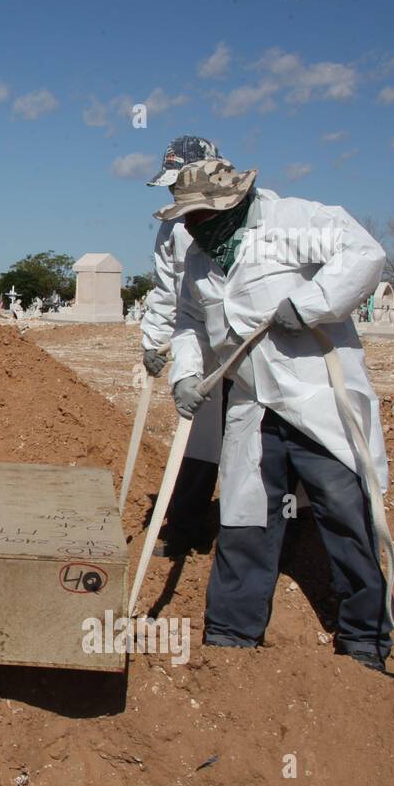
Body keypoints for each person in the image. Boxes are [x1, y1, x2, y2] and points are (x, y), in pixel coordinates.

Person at [162, 158, 392, 671]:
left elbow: (365, 254)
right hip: (251, 405)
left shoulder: (292, 220)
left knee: (344, 515)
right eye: (186, 217)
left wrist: (312, 303)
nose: (189, 226)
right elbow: (188, 320)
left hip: (316, 404)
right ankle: (231, 637)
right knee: (244, 520)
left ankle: (364, 641)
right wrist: (184, 374)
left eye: (197, 215)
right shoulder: (199, 260)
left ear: (230, 205)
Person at [139, 136, 282, 555]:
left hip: (259, 348)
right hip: (204, 344)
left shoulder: (260, 211)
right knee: (200, 438)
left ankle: (269, 534)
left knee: (261, 443)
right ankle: (185, 528)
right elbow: (169, 291)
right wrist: (154, 340)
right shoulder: (172, 228)